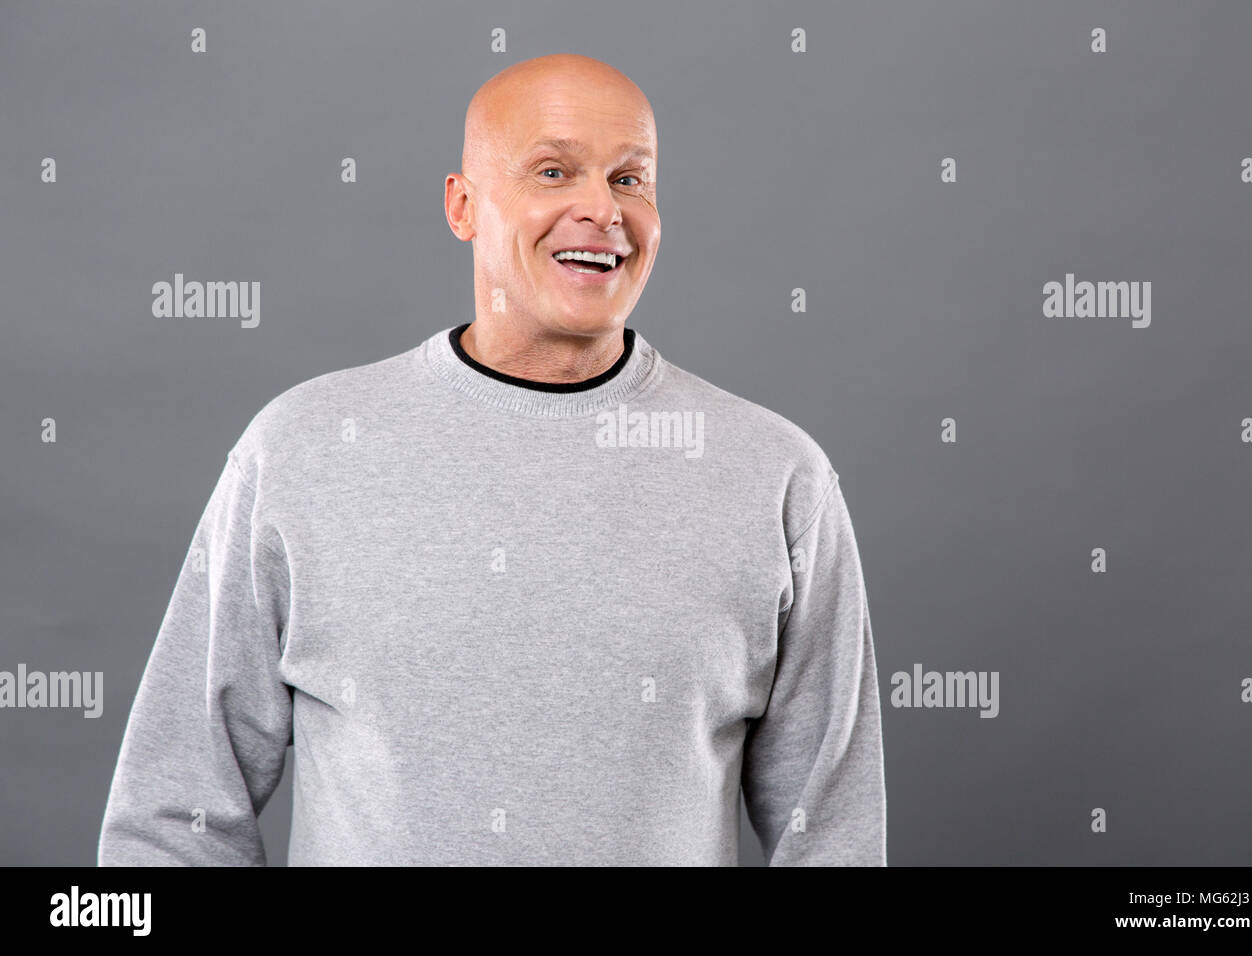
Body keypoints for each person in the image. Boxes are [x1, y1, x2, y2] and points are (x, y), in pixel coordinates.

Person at [98, 53, 886, 866]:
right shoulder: (301, 450)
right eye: (554, 170)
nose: (602, 210)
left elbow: (832, 836)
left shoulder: (776, 476)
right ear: (463, 206)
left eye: (630, 179)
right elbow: (171, 815)